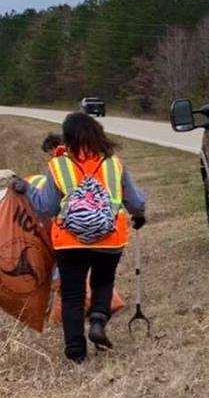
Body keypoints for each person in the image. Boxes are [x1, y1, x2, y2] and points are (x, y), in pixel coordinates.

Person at [13, 112, 146, 363]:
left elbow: (46, 208)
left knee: (72, 294)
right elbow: (136, 201)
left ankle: (75, 352)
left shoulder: (59, 165)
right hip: (110, 238)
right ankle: (98, 319)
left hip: (70, 242)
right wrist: (139, 214)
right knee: (103, 282)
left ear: (68, 138)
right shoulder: (113, 163)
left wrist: (27, 188)